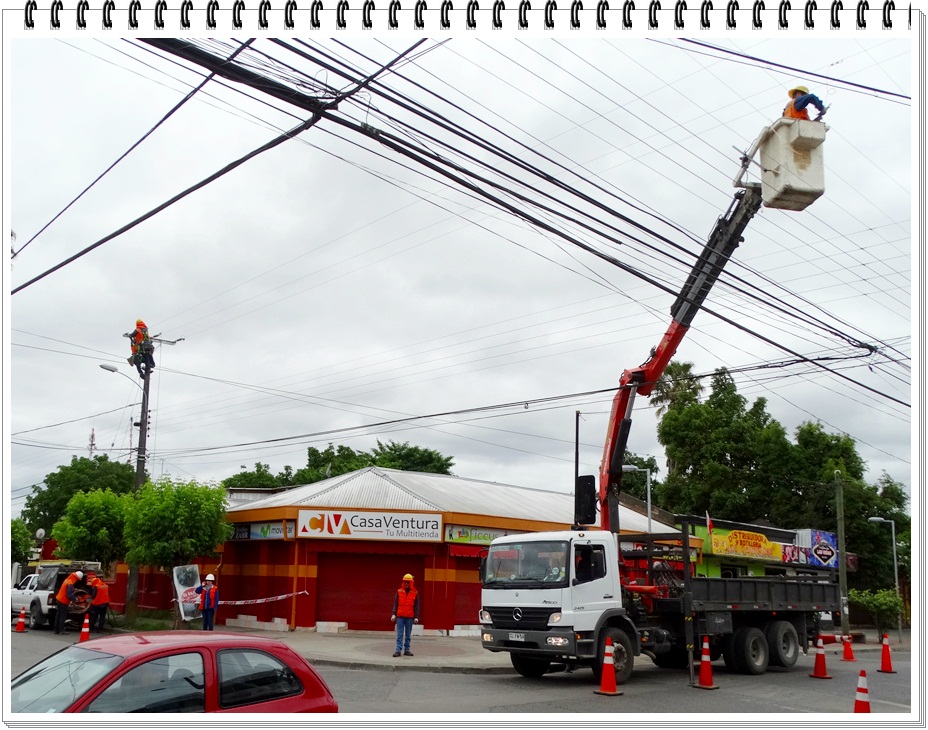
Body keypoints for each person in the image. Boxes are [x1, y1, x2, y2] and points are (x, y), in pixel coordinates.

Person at [390, 573, 419, 657]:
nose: (406, 584)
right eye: (405, 582)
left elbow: (416, 606)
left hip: (409, 617)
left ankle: (407, 650)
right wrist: (393, 614)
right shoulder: (399, 592)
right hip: (400, 616)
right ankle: (398, 650)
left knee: (408, 634)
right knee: (399, 634)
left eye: (408, 582)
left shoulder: (415, 593)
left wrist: (416, 617)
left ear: (411, 583)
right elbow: (396, 603)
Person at [54, 570, 84, 634]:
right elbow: (69, 595)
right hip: (63, 601)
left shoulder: (67, 580)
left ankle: (56, 630)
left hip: (59, 599)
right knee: (63, 616)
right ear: (76, 578)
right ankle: (61, 630)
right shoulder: (70, 583)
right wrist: (75, 599)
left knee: (58, 615)